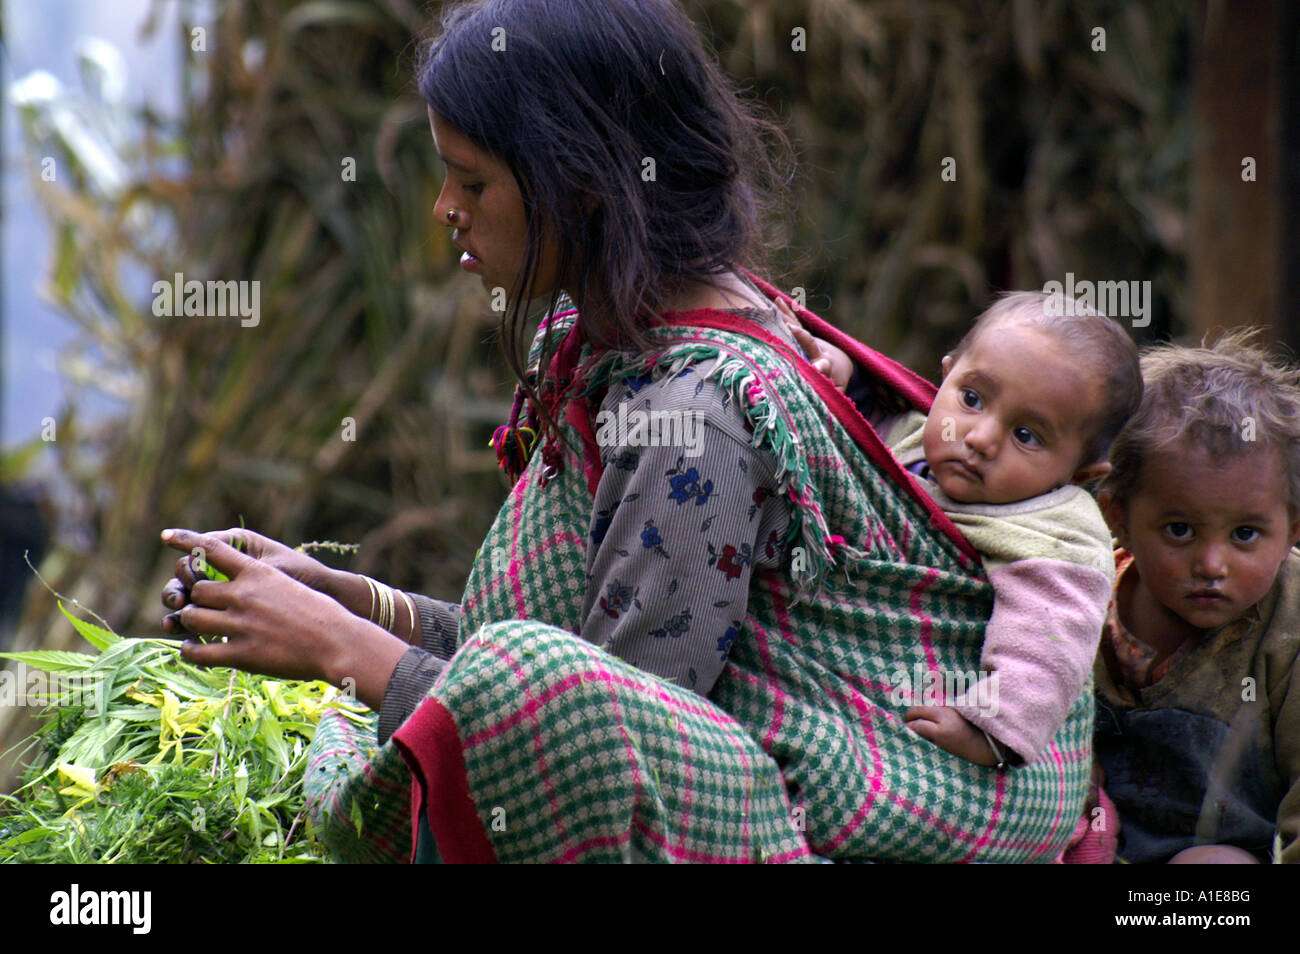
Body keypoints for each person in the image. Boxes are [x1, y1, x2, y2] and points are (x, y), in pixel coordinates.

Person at [159, 0, 1094, 863]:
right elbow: (563, 646)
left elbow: (591, 728)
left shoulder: (696, 411)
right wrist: (351, 597)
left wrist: (337, 648)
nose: (446, 208)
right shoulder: (615, 340)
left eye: (472, 180)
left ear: (584, 188)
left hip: (795, 810)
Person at [782, 292, 1141, 768]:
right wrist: (839, 370)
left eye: (1027, 435)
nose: (980, 438)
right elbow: (860, 420)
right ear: (946, 374)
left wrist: (991, 730)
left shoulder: (1058, 532)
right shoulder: (915, 436)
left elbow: (1050, 648)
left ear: (1079, 475)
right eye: (971, 399)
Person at [1090, 330, 1300, 863]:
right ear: (1119, 518)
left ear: (1293, 530)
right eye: (1180, 530)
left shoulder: (1289, 627)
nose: (1211, 565)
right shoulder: (1074, 597)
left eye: (1246, 535)